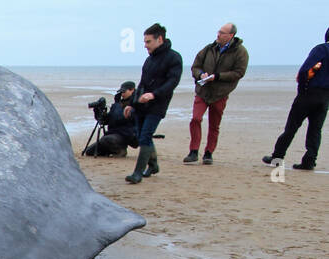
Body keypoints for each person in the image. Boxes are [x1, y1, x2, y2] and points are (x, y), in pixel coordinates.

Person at [263, 28, 329, 171]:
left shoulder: (322, 49)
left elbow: (305, 70)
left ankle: (277, 157)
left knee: (291, 127)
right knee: (315, 130)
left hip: (309, 93)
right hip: (325, 96)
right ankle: (309, 161)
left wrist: (302, 87)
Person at [125, 23, 182, 184]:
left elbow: (172, 82)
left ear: (160, 39)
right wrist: (132, 103)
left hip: (158, 104)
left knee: (145, 136)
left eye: (148, 42)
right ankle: (153, 164)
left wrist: (154, 94)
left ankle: (137, 173)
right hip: (142, 104)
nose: (145, 45)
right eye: (144, 42)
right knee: (141, 134)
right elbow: (142, 83)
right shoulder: (149, 60)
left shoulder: (174, 58)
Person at [184, 23, 248, 164]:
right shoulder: (209, 48)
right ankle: (193, 151)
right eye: (218, 31)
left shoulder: (240, 52)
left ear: (231, 35)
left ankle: (208, 153)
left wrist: (218, 76)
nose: (218, 35)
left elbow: (239, 72)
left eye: (222, 33)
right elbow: (195, 66)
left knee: (214, 125)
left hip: (220, 94)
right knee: (195, 119)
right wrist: (200, 74)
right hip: (202, 91)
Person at [83, 82, 139, 156]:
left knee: (106, 140)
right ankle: (110, 150)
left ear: (132, 90)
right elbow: (105, 121)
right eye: (121, 92)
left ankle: (120, 150)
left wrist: (118, 106)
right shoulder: (118, 104)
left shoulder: (136, 104)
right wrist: (99, 111)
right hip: (113, 133)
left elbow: (122, 118)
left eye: (124, 92)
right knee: (90, 151)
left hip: (127, 135)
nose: (122, 94)